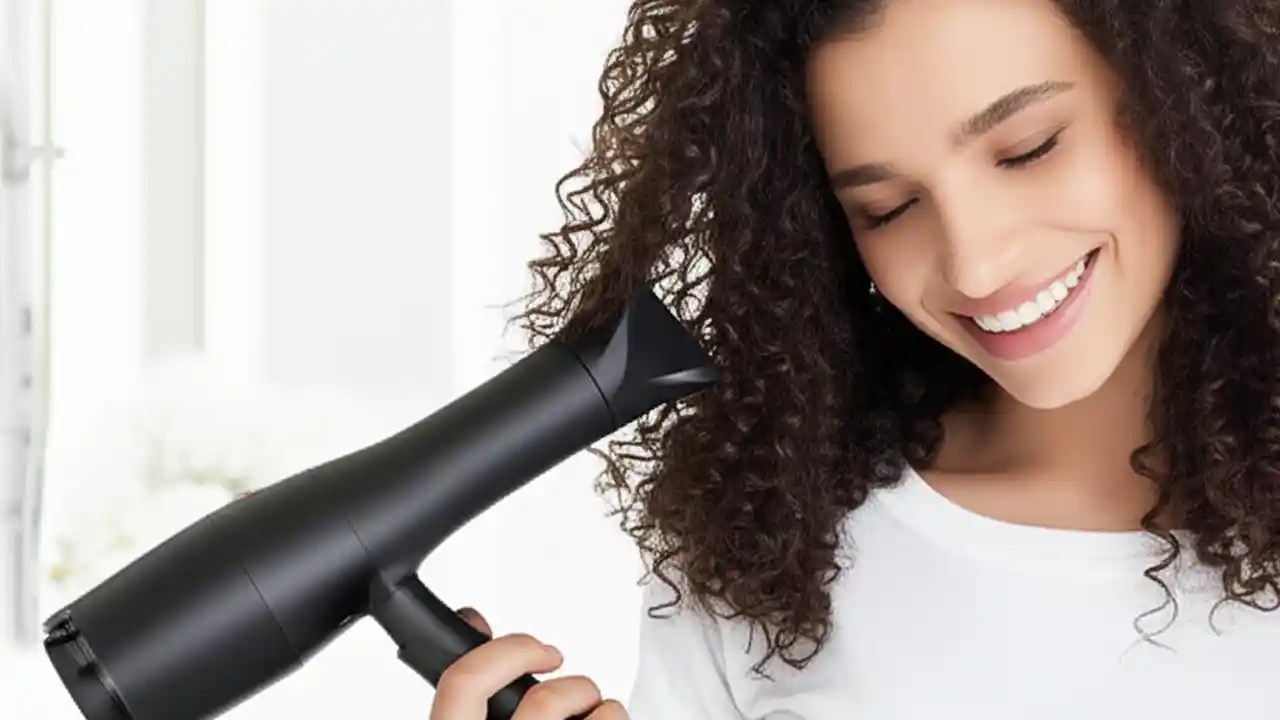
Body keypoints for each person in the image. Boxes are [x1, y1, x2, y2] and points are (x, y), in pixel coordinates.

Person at [430, 0, 1280, 717]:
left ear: (1190, 97)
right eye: (889, 208)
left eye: (1028, 149)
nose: (975, 264)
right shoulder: (771, 556)